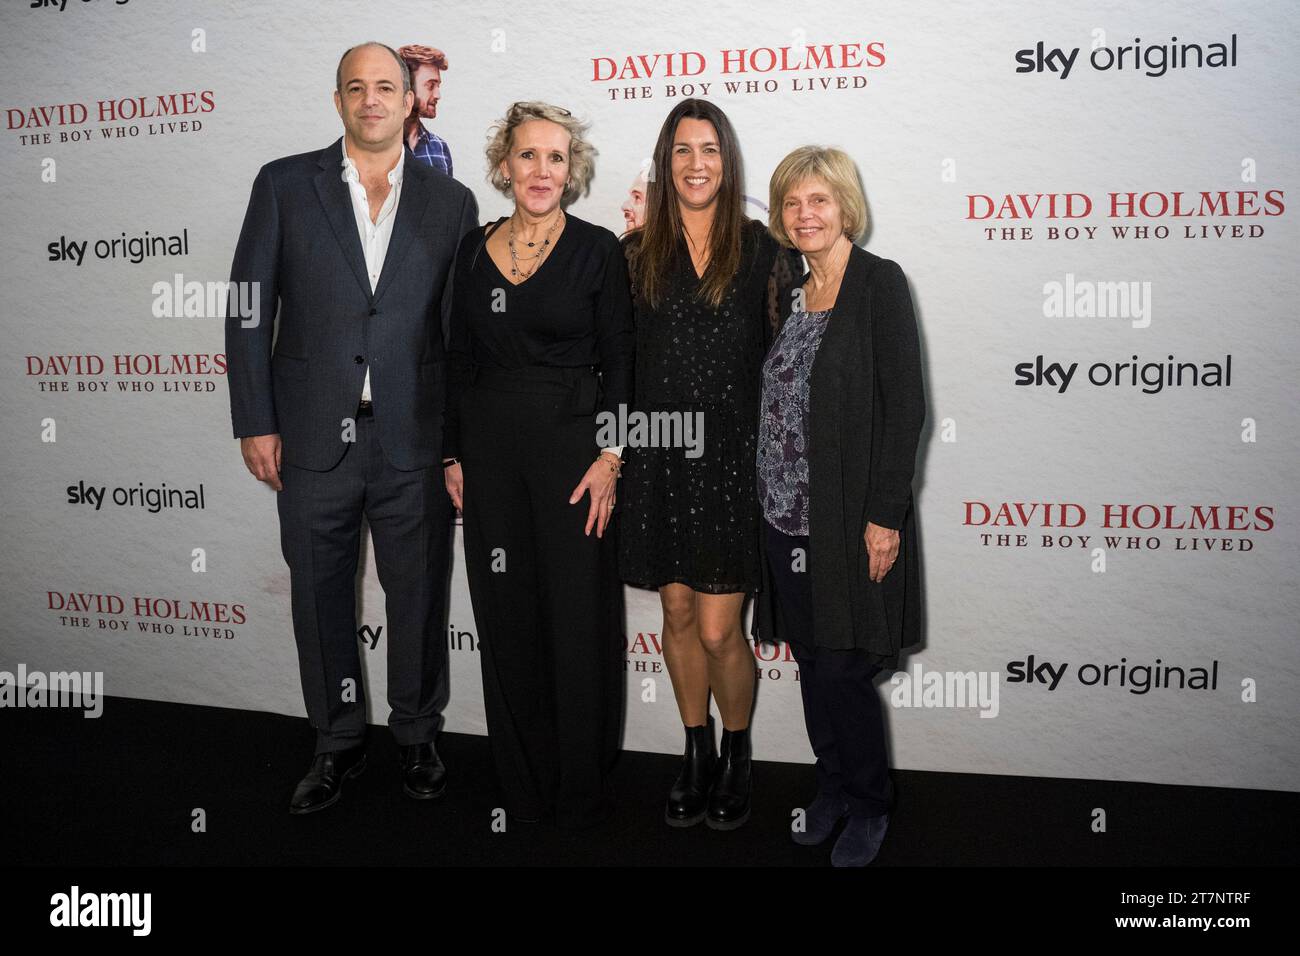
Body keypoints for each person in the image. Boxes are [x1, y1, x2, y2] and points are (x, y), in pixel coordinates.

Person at [224, 41, 478, 814]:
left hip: (415, 441)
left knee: (419, 595)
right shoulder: (283, 184)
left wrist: (459, 444)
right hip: (307, 441)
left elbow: (460, 338)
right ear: (338, 101)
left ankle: (417, 733)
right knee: (320, 599)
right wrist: (255, 419)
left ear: (410, 102)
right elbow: (247, 309)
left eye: (386, 87)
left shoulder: (451, 200)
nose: (371, 99)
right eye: (355, 87)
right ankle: (335, 742)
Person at [442, 101, 633, 829]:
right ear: (504, 165)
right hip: (488, 458)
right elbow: (455, 358)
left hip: (573, 458)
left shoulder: (598, 250)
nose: (542, 171)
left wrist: (612, 457)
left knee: (578, 621)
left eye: (556, 158)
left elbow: (622, 359)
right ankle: (523, 781)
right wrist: (450, 453)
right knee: (507, 617)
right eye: (528, 156)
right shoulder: (469, 249)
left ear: (572, 170)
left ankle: (581, 787)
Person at [618, 99, 802, 830]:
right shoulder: (631, 254)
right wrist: (612, 448)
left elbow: (789, 372)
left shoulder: (763, 251)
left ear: (728, 162)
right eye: (683, 150)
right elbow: (619, 367)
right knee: (677, 609)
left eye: (710, 150)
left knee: (724, 630)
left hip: (734, 460)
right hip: (659, 455)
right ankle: (693, 750)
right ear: (666, 163)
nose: (696, 164)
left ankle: (738, 749)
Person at [755, 145, 925, 866]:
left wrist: (885, 514)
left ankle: (869, 803)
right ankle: (830, 786)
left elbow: (907, 405)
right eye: (792, 203)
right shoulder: (787, 288)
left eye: (818, 200)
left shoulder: (879, 284)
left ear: (844, 206)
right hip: (782, 519)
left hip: (850, 519)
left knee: (846, 670)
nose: (804, 215)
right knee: (812, 662)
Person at [398, 44, 453, 175]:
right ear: (407, 87)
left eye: (438, 86)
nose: (438, 95)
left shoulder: (439, 148)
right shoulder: (378, 146)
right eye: (430, 85)